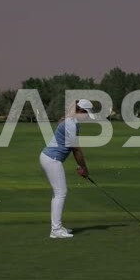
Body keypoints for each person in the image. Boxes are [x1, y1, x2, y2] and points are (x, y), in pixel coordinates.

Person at [39, 99, 95, 239]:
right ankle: (56, 230)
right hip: (52, 159)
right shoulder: (71, 123)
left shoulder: (71, 121)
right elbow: (76, 150)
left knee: (58, 193)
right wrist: (84, 168)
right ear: (81, 111)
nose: (87, 117)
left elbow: (72, 148)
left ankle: (57, 226)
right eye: (86, 114)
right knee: (61, 192)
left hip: (50, 158)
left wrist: (80, 166)